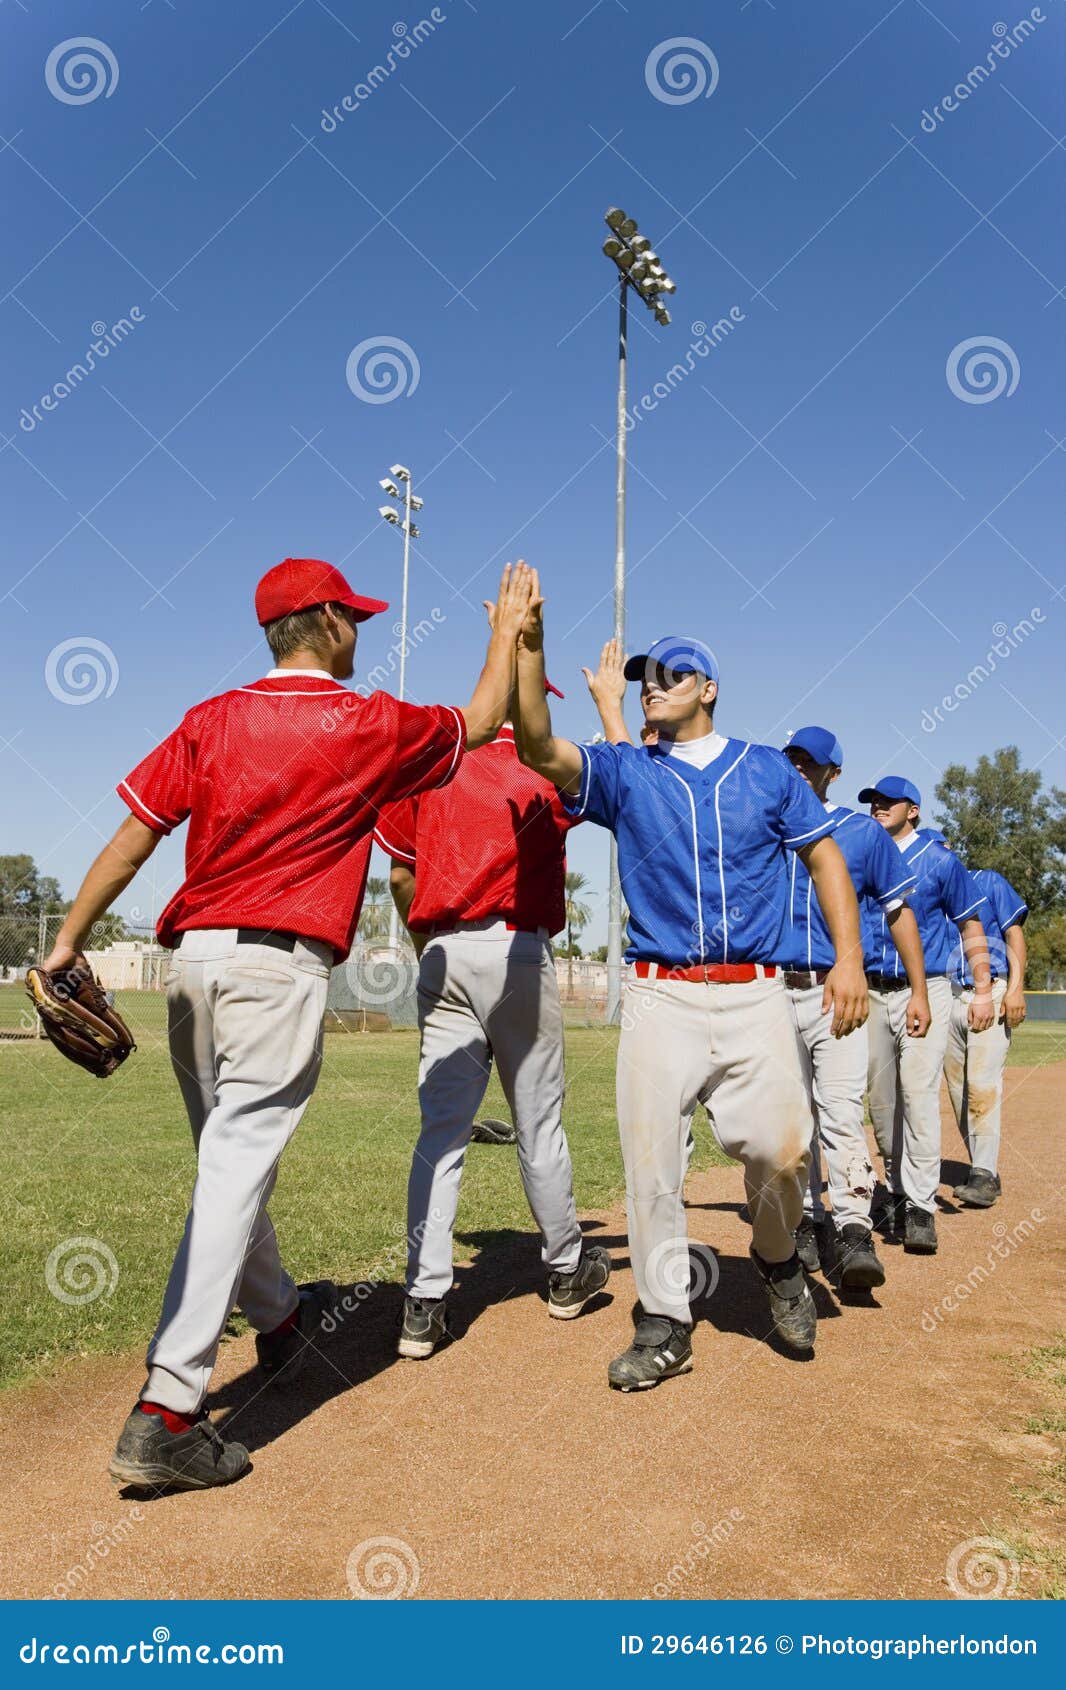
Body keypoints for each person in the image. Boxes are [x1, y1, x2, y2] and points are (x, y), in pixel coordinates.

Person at [43, 555, 534, 1490]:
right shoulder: (365, 721)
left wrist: (69, 940)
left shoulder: (212, 717)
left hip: (191, 968)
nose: (362, 630)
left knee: (230, 1161)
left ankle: (277, 1319)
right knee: (234, 1170)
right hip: (277, 968)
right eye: (355, 616)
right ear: (329, 623)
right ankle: (167, 1410)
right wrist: (507, 636)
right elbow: (475, 723)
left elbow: (135, 834)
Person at [516, 608, 867, 1391]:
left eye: (671, 673)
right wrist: (526, 652)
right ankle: (665, 1318)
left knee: (783, 1153)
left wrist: (849, 957)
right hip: (659, 996)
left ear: (708, 687)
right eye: (644, 679)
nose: (652, 687)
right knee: (650, 1169)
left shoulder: (767, 770)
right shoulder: (629, 771)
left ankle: (777, 1259)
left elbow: (825, 859)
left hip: (756, 994)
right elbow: (540, 747)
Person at [374, 659, 610, 1360]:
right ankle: (566, 1271)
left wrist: (428, 949)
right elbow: (615, 777)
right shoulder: (546, 770)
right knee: (539, 1125)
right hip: (517, 952)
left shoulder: (429, 759)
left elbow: (398, 872)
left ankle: (423, 1302)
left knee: (441, 1133)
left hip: (444, 947)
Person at [777, 727, 931, 1290]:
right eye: (789, 757)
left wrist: (917, 989)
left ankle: (852, 1230)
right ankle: (803, 1221)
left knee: (840, 1109)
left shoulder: (863, 833)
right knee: (788, 1120)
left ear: (831, 772)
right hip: (770, 990)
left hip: (838, 989)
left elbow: (898, 912)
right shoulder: (767, 825)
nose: (796, 768)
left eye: (808, 761)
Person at [860, 778, 992, 1256]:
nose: (877, 806)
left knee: (917, 1095)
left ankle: (919, 1207)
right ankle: (894, 1190)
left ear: (912, 810)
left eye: (886, 801)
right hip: (871, 990)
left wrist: (981, 988)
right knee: (880, 1104)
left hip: (928, 989)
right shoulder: (865, 854)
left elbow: (970, 923)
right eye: (872, 800)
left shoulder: (939, 860)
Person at [943, 855, 1028, 1208]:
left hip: (989, 991)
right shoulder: (932, 890)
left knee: (982, 1084)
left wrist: (1015, 989)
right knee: (959, 1092)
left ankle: (982, 1174)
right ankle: (985, 1169)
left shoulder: (989, 881)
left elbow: (1014, 933)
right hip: (947, 997)